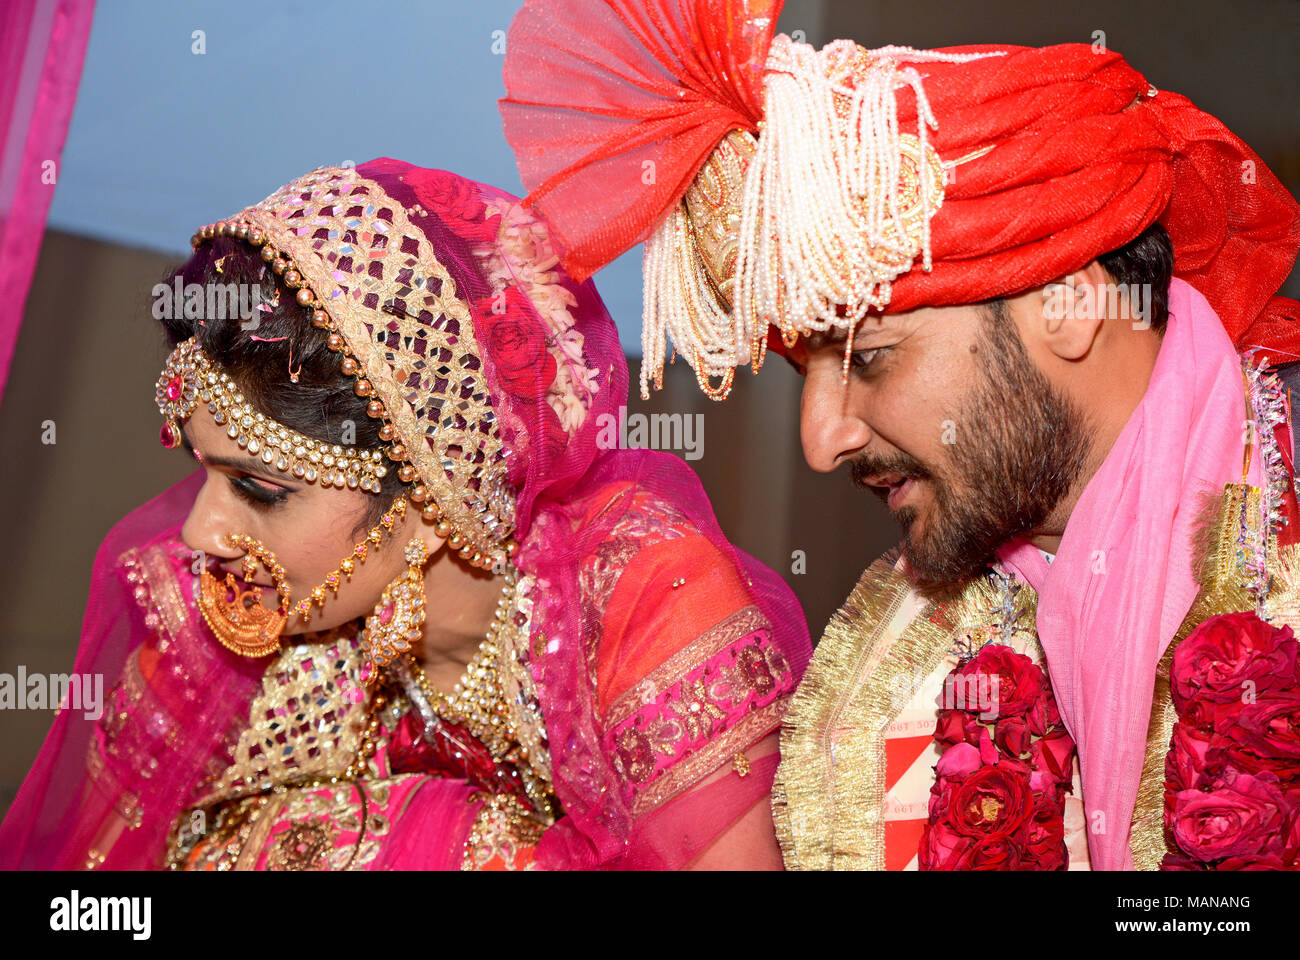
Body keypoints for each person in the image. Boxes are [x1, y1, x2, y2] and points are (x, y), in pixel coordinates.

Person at [498, 0, 1300, 869]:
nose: (822, 442)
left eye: (871, 357)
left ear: (1070, 302)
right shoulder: (888, 674)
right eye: (802, 375)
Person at [0, 159, 811, 870]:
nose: (200, 533)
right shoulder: (222, 618)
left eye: (261, 488)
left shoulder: (644, 601)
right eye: (204, 472)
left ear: (431, 500)